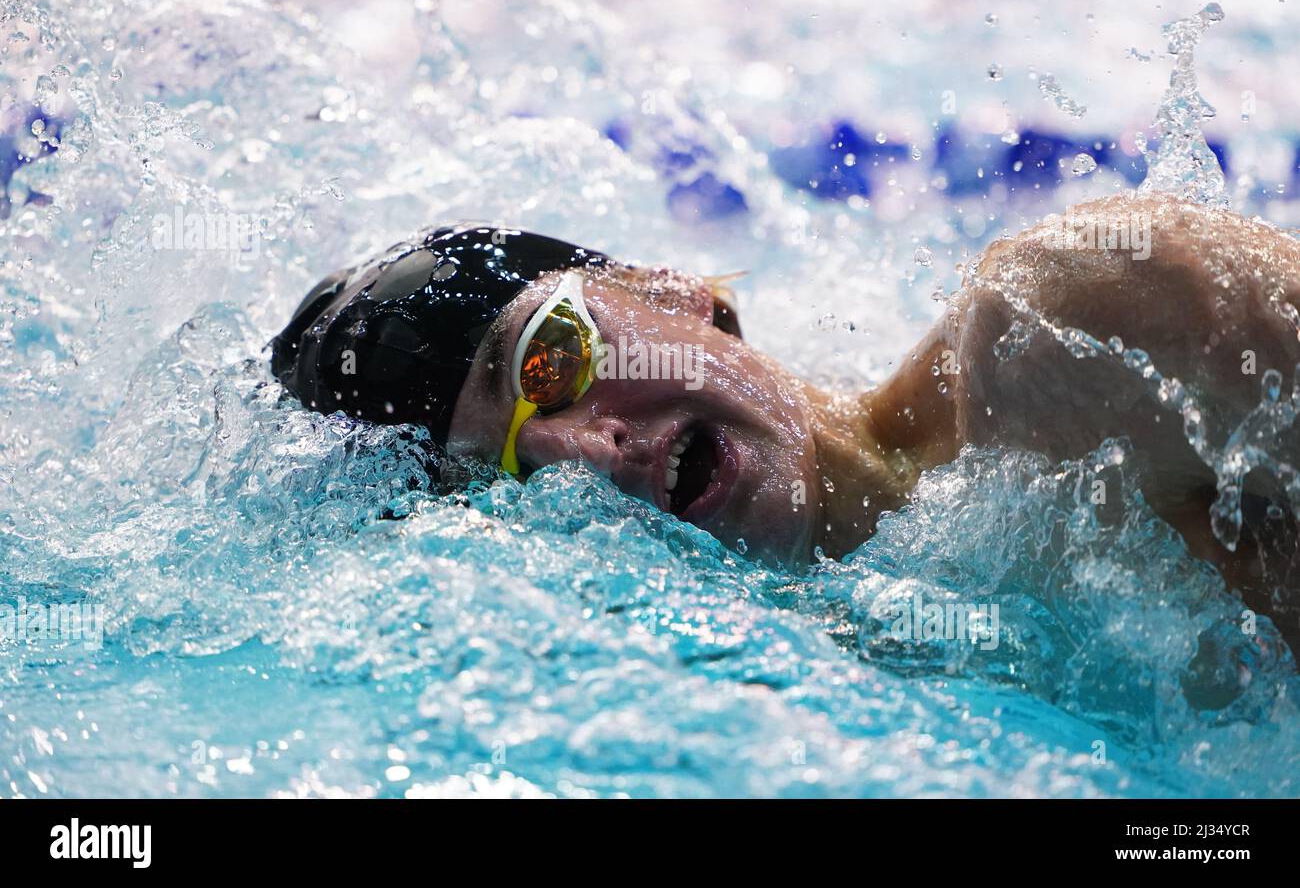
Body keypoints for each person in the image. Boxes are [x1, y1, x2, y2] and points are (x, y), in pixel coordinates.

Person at [272, 194, 1300, 645]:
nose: (584, 450)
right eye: (514, 476)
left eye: (550, 360)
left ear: (664, 289)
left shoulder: (1060, 329)